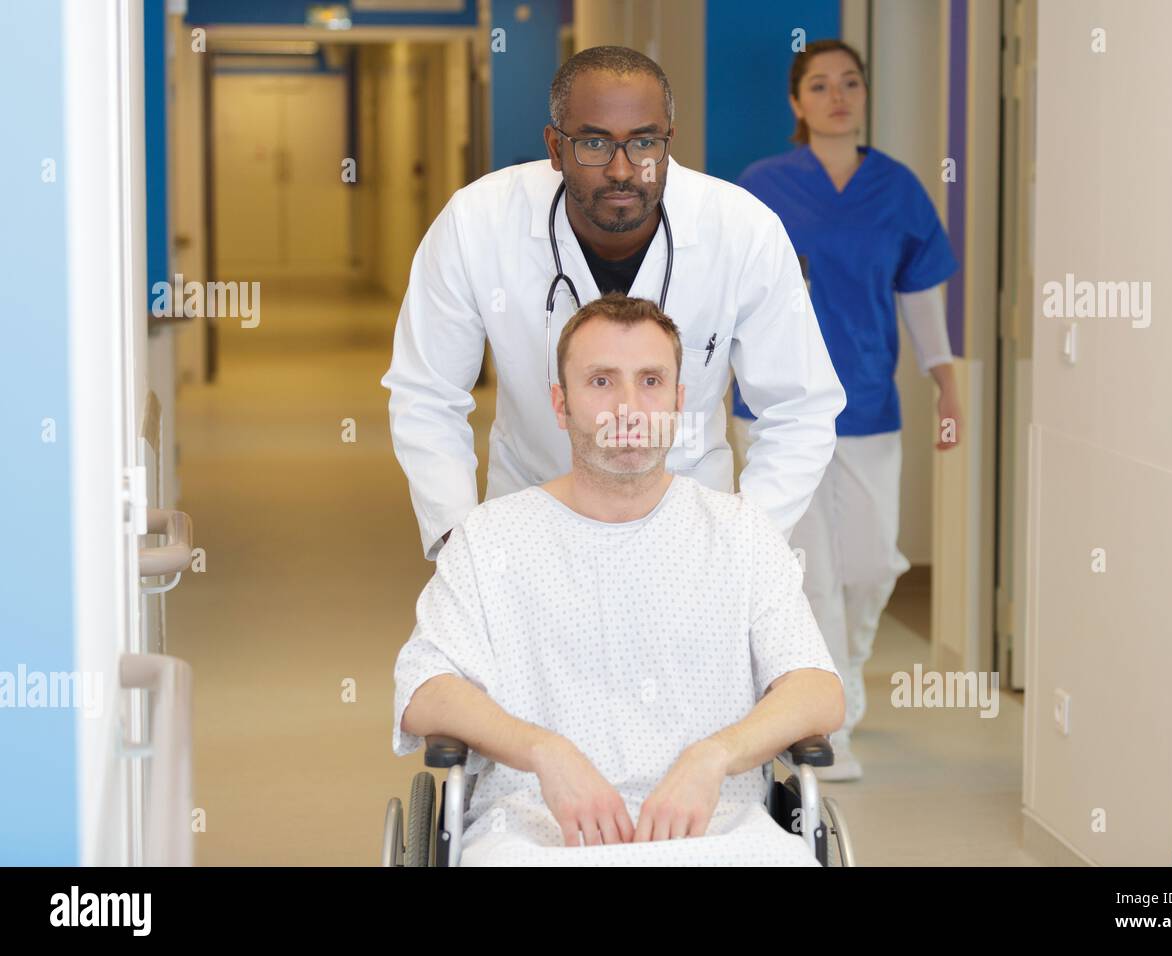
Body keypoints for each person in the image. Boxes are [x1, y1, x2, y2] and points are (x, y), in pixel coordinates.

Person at [392, 293, 845, 866]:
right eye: (602, 382)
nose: (628, 407)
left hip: (720, 833)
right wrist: (544, 752)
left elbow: (817, 690)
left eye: (651, 381)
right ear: (562, 404)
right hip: (535, 836)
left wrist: (714, 756)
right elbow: (424, 690)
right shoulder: (490, 539)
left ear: (678, 403)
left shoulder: (740, 534)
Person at [382, 45, 844, 562]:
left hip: (691, 530)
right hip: (529, 521)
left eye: (645, 142)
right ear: (555, 148)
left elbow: (799, 406)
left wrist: (748, 543)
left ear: (669, 143)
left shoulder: (743, 231)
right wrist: (458, 541)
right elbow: (427, 393)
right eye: (594, 144)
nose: (624, 170)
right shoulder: (478, 223)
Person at [729, 40, 962, 782]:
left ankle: (846, 668)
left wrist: (946, 382)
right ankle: (827, 728)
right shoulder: (761, 186)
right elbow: (728, 300)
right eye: (820, 85)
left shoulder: (897, 189)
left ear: (865, 96)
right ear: (797, 103)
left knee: (871, 562)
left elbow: (921, 298)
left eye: (851, 83)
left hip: (867, 401)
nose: (838, 95)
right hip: (774, 406)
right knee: (810, 569)